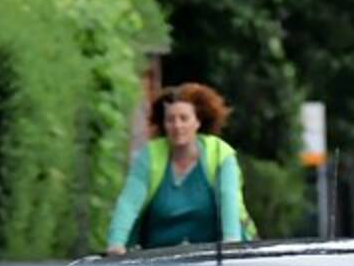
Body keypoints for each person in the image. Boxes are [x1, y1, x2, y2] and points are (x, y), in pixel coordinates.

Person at [105, 84, 249, 254]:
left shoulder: (220, 154)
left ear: (197, 122)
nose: (177, 126)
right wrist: (116, 243)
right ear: (164, 124)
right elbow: (129, 203)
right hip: (158, 259)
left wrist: (231, 245)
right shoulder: (151, 155)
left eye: (184, 118)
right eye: (170, 119)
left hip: (212, 256)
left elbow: (229, 200)